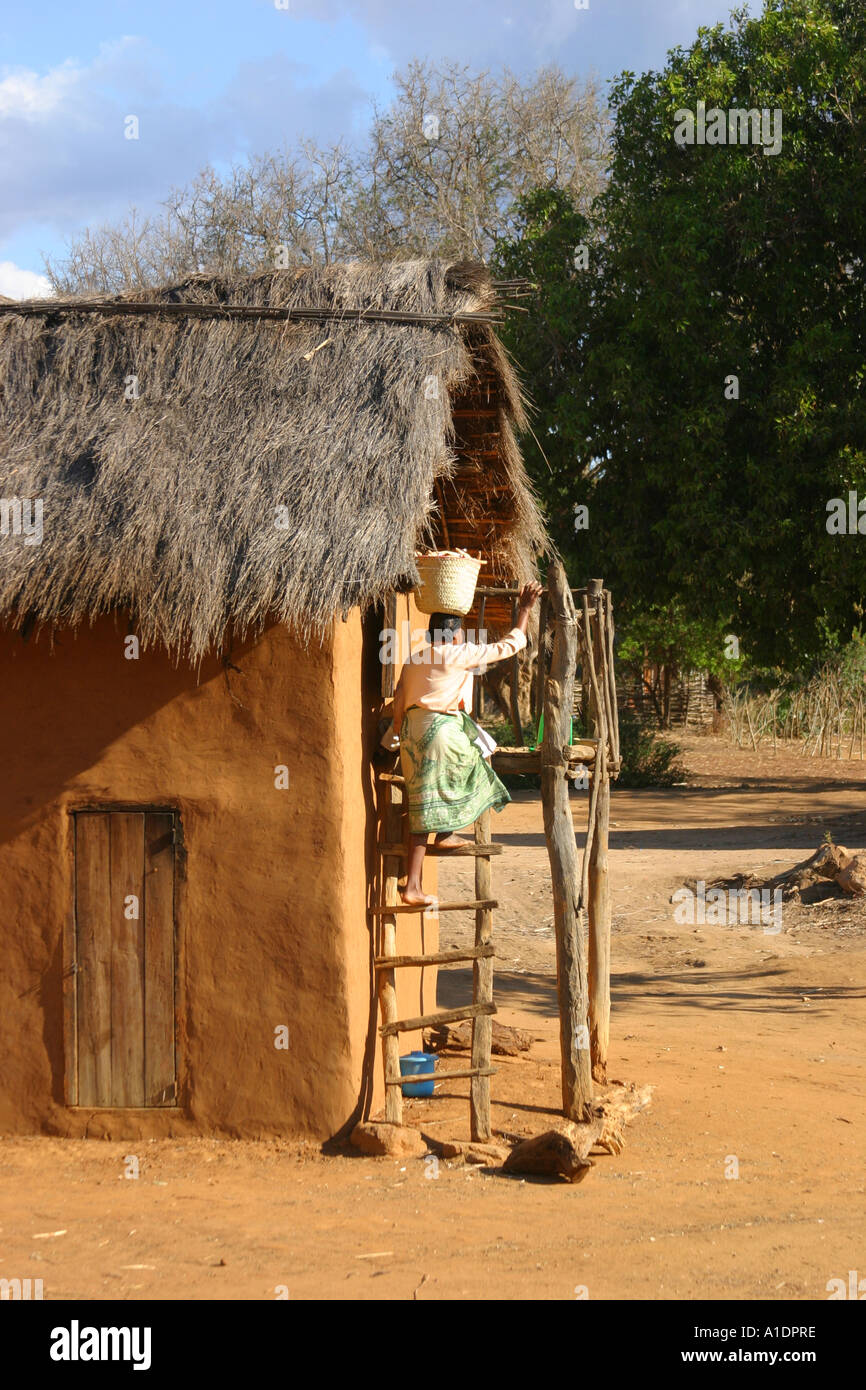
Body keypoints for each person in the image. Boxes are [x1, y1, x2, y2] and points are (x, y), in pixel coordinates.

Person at [390, 581, 543, 905]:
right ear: (456, 635)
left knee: (422, 806)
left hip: (412, 734)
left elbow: (399, 702)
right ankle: (428, 861)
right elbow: (509, 646)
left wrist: (397, 734)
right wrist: (525, 610)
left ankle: (422, 870)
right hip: (440, 734)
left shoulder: (413, 659)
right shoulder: (459, 654)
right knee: (473, 764)